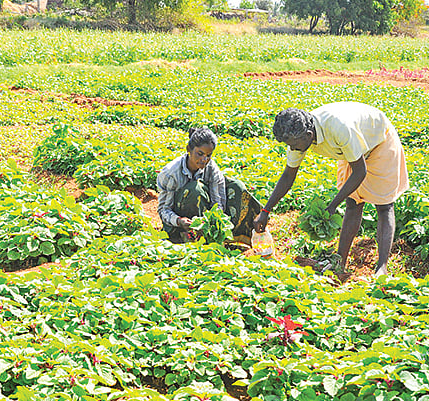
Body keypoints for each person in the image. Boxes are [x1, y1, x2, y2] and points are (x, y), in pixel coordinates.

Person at [253, 102, 409, 277]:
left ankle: (382, 267)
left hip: (379, 143)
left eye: (294, 145)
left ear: (309, 135)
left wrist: (333, 204)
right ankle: (339, 261)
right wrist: (266, 211)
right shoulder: (297, 136)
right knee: (352, 203)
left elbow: (360, 172)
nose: (292, 149)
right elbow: (289, 176)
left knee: (384, 206)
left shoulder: (338, 128)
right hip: (353, 149)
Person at [157, 127, 262, 245]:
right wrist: (179, 221)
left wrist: (214, 222)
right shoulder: (170, 173)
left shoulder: (212, 168)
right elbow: (164, 210)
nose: (204, 159)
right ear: (189, 149)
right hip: (179, 221)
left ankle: (233, 235)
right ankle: (186, 237)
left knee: (237, 186)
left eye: (208, 155)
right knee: (195, 189)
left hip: (204, 213)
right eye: (200, 154)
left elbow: (218, 203)